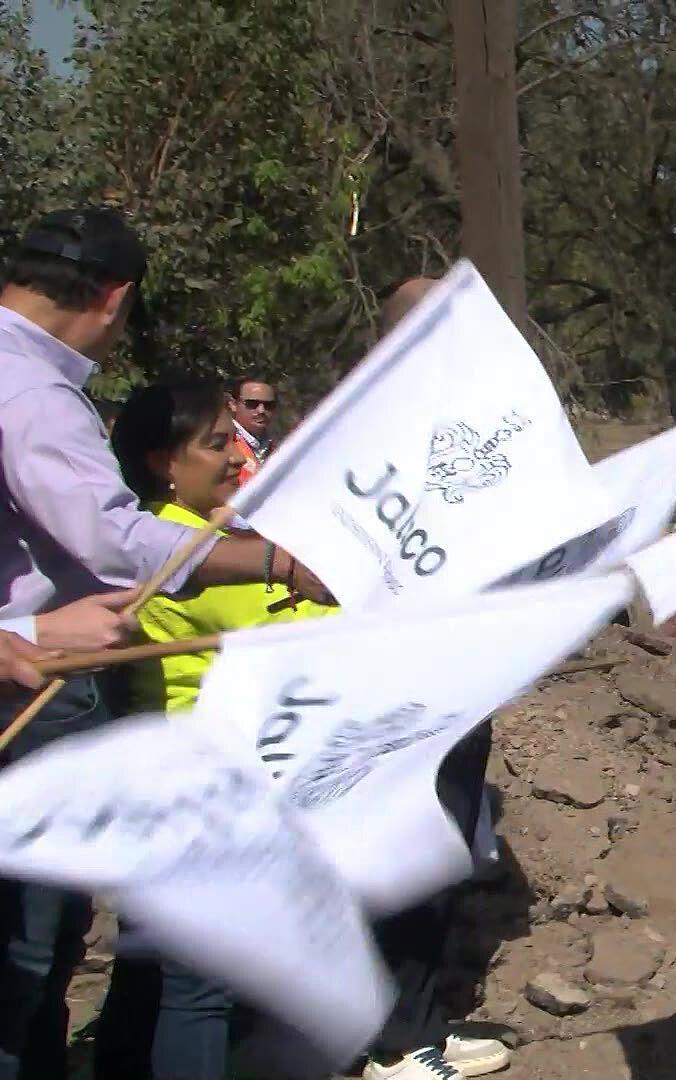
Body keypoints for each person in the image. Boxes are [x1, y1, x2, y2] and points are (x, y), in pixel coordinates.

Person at [0, 208, 332, 1080]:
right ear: (115, 299)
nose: (234, 453)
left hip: (42, 666)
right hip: (32, 689)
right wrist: (275, 564)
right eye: (217, 438)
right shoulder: (30, 389)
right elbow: (112, 541)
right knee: (30, 949)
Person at [92, 382, 332, 1080]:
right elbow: (301, 638)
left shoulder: (181, 538)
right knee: (201, 988)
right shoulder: (186, 555)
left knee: (147, 967)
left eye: (235, 436)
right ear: (165, 460)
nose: (237, 455)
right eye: (217, 442)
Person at [347, 273, 511, 1080]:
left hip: (456, 671)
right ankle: (393, 1045)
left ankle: (416, 1026)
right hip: (409, 682)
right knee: (409, 859)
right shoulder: (379, 431)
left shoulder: (443, 424)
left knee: (435, 856)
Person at [225, 375, 276, 485]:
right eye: (252, 404)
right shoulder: (221, 443)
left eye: (269, 405)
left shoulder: (278, 448)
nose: (261, 410)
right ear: (233, 404)